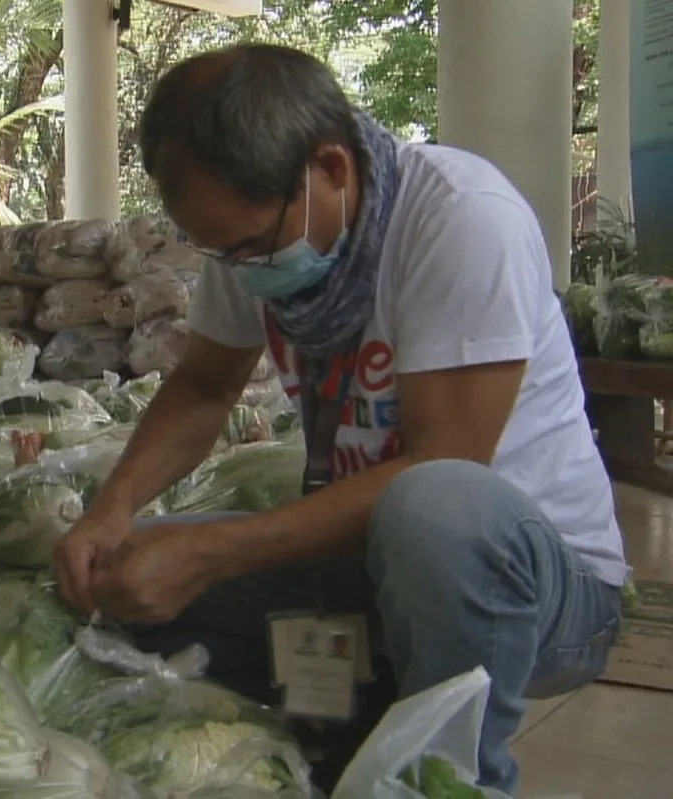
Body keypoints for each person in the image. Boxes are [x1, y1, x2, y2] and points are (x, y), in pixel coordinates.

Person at [53, 43, 628, 794]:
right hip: (376, 563)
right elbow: (202, 387)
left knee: (435, 512)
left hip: (541, 589)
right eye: (220, 251)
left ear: (329, 168)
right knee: (128, 583)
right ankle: (344, 728)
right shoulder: (248, 250)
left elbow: (441, 462)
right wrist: (113, 507)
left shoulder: (460, 220)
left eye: (253, 244)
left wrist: (217, 551)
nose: (242, 268)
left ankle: (451, 776)